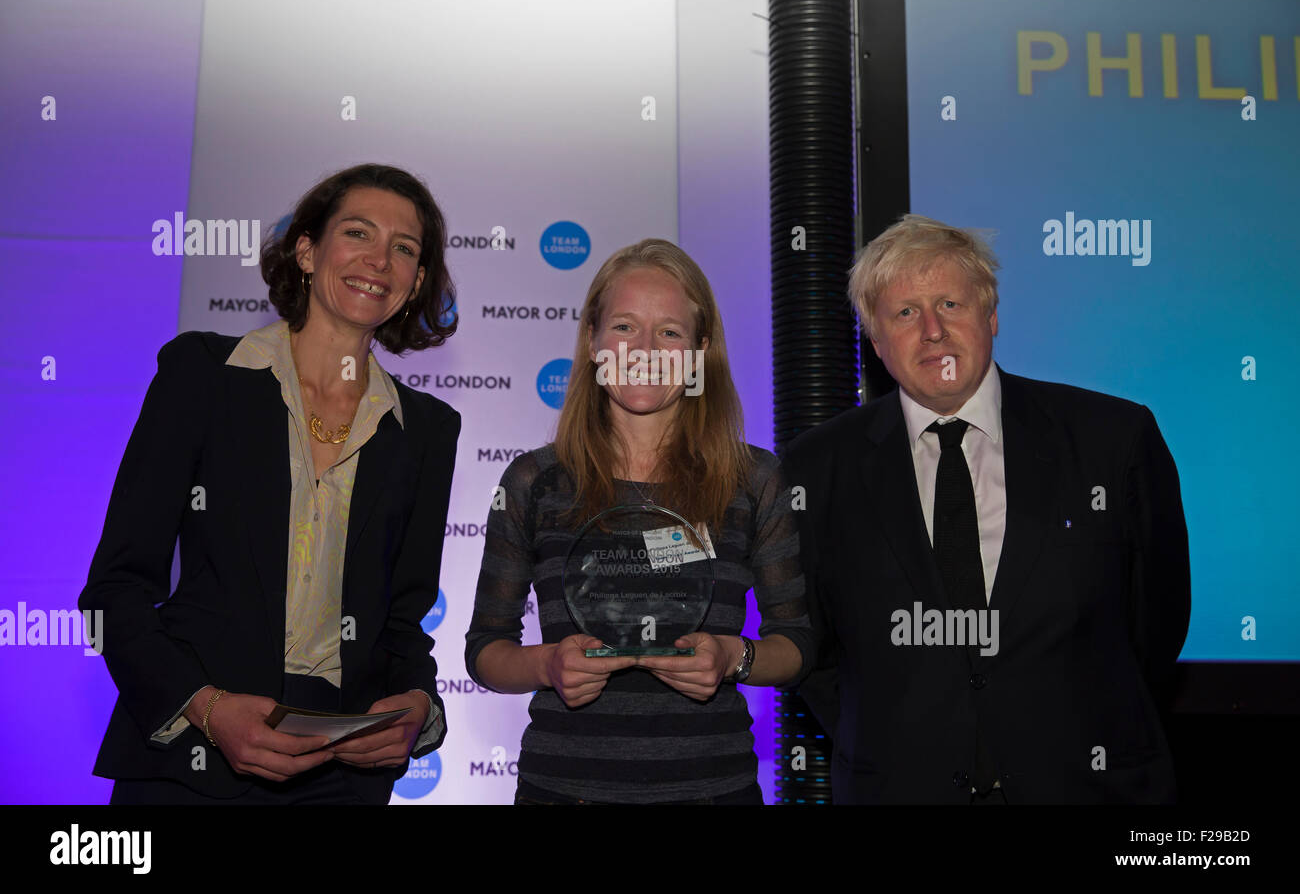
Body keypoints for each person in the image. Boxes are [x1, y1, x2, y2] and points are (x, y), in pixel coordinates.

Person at [80, 163, 462, 804]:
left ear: (417, 282)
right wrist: (205, 709)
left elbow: (402, 624)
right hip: (190, 758)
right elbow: (114, 592)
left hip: (343, 775)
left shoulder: (427, 430)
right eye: (358, 234)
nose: (380, 260)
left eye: (405, 249)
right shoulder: (200, 375)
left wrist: (417, 710)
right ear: (307, 250)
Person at [783, 214, 1190, 804]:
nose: (932, 331)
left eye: (951, 303)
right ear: (875, 343)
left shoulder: (1113, 440)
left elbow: (1155, 624)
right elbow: (811, 646)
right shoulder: (816, 467)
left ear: (991, 316)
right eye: (904, 313)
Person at [465, 239, 815, 804]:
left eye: (670, 332)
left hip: (713, 789)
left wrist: (734, 658)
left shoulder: (754, 480)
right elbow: (485, 650)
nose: (645, 349)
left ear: (700, 351)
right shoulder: (534, 482)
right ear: (592, 340)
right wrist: (547, 664)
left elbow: (796, 643)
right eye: (625, 326)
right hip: (563, 789)